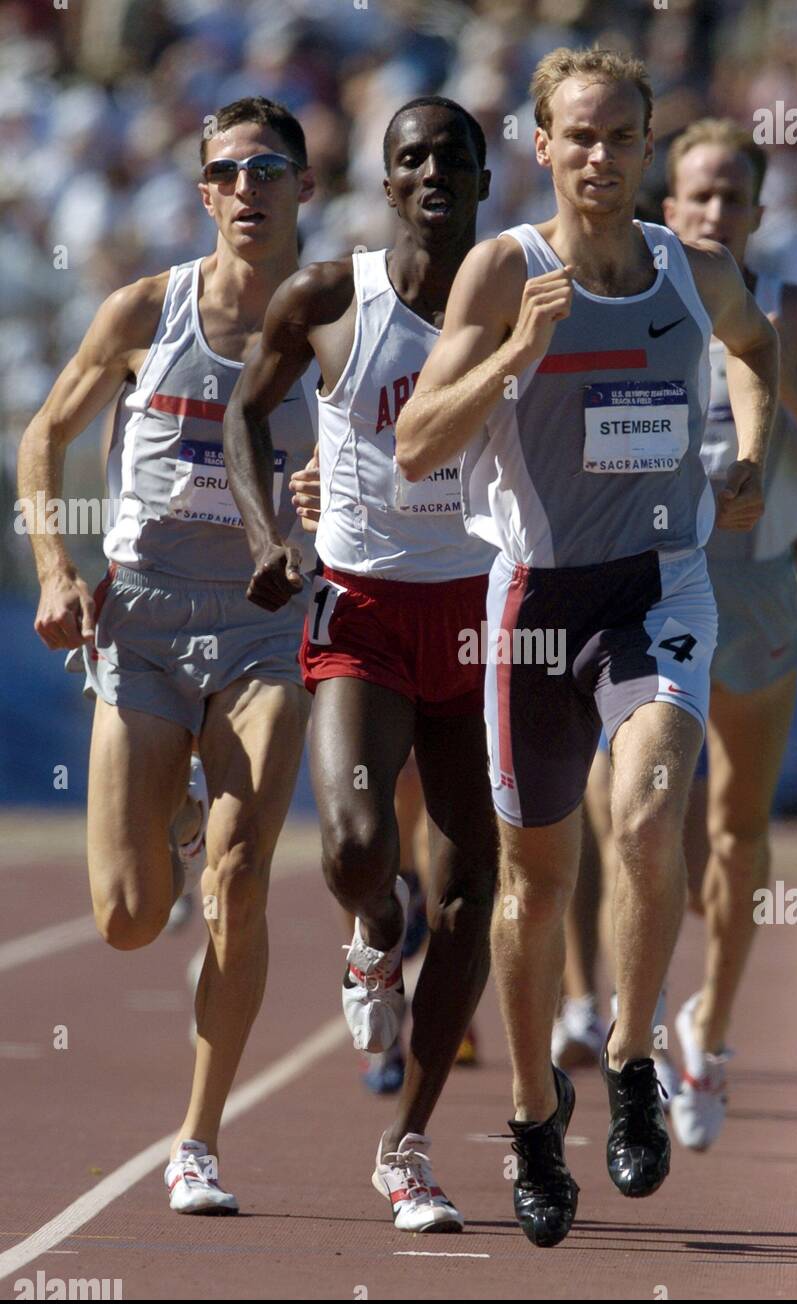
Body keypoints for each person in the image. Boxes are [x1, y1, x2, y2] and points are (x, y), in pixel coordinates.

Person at [396, 46, 779, 1247]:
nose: (601, 157)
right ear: (542, 148)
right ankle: (527, 1113)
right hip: (534, 603)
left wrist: (750, 453)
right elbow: (415, 443)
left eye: (622, 137)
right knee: (536, 879)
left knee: (651, 804)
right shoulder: (503, 272)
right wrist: (515, 357)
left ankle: (628, 1059)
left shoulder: (689, 265)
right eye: (580, 138)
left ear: (648, 145)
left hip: (655, 586)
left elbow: (755, 349)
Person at [18, 97, 319, 1214]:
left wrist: (337, 502)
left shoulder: (334, 325)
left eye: (271, 169)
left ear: (300, 190)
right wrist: (56, 569)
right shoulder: (146, 311)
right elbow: (44, 433)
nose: (250, 188)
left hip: (266, 624)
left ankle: (198, 1138)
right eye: (229, 172)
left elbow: (412, 448)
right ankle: (179, 817)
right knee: (131, 918)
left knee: (241, 882)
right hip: (140, 624)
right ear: (204, 194)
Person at [224, 97, 497, 1234]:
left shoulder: (526, 300)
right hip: (363, 606)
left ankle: (407, 1148)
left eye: (452, 157)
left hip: (487, 612)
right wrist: (271, 536)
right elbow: (246, 411)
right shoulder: (332, 296)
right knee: (352, 844)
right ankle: (371, 940)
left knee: (472, 891)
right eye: (411, 158)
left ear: (484, 178)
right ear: (385, 184)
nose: (431, 172)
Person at [661, 118, 797, 1149]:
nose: (711, 214)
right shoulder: (634, 295)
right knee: (639, 821)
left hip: (750, 598)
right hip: (644, 589)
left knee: (735, 834)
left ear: (755, 212)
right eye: (695, 196)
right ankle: (612, 1023)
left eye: (729, 199)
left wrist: (795, 389)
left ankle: (706, 1028)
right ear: (668, 208)